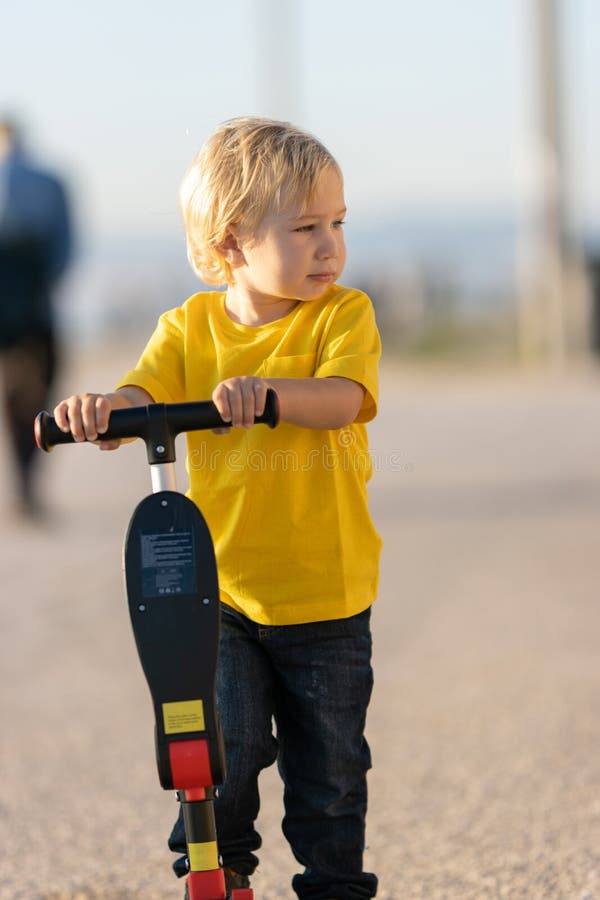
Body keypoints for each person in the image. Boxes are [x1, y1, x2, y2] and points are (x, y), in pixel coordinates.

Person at [53, 117, 382, 900]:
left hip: (327, 595)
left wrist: (271, 395)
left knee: (330, 766)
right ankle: (218, 867)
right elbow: (145, 391)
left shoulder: (340, 316)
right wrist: (107, 410)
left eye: (338, 223)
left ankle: (333, 884)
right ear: (232, 243)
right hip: (223, 595)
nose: (331, 245)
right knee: (218, 740)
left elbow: (345, 399)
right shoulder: (189, 329)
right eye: (306, 228)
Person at [0, 117, 72, 517]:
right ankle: (26, 480)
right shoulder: (50, 181)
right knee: (36, 388)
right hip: (33, 300)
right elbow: (64, 248)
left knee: (14, 389)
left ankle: (23, 483)